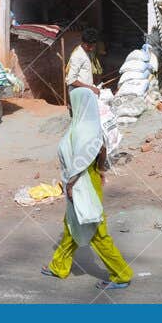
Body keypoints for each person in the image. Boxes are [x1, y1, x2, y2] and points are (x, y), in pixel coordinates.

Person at [44, 87, 133, 289]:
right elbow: (102, 149)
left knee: (94, 228)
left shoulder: (85, 129)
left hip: (83, 182)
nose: (69, 107)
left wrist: (71, 183)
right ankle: (59, 266)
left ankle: (121, 275)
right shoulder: (87, 126)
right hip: (83, 179)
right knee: (72, 224)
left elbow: (87, 155)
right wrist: (100, 169)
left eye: (71, 103)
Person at [66, 27, 102, 94]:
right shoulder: (77, 56)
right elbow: (71, 80)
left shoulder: (89, 53)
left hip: (86, 92)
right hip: (78, 94)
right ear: (82, 42)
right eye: (89, 46)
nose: (91, 49)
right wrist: (90, 88)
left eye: (93, 46)